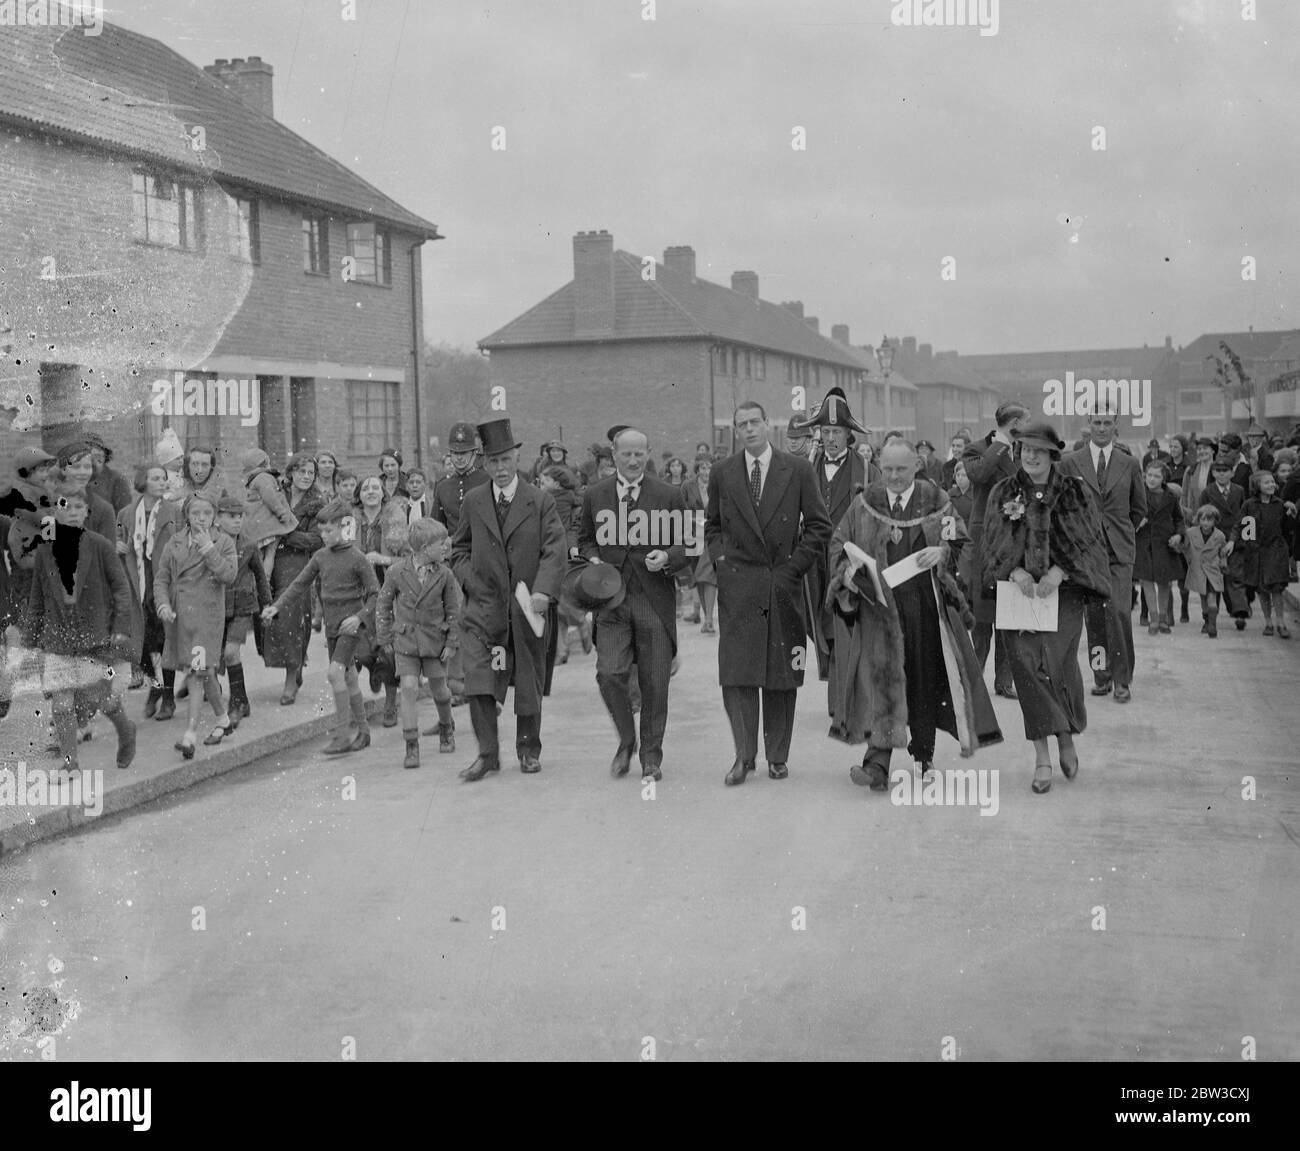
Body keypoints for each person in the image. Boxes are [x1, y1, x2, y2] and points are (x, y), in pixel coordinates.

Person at [825, 440, 998, 790]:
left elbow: (960, 538)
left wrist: (941, 551)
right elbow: (838, 544)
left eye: (901, 469)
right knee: (882, 680)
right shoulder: (864, 504)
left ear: (916, 466)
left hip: (923, 603)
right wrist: (847, 574)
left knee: (922, 678)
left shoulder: (935, 501)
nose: (893, 476)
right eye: (887, 468)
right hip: (880, 606)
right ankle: (876, 764)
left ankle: (924, 756)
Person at [705, 401, 831, 786]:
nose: (749, 429)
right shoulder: (722, 472)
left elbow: (819, 526)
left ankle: (778, 756)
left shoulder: (797, 470)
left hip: (782, 587)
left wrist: (793, 571)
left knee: (780, 675)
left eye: (755, 422)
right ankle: (744, 757)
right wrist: (723, 563)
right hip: (739, 588)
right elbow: (712, 527)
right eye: (741, 424)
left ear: (767, 425)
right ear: (735, 431)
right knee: (738, 675)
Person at [981, 423, 1110, 794]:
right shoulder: (1003, 492)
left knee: (1055, 665)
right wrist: (1014, 569)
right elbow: (992, 541)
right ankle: (1042, 757)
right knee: (1025, 668)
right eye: (1025, 449)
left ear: (1054, 454)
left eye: (1040, 450)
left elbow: (1089, 541)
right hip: (1017, 598)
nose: (1031, 456)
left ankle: (1066, 737)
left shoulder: (1075, 492)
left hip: (1063, 597)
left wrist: (1059, 570)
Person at [451, 417, 567, 781]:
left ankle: (528, 750)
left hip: (527, 607)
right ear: (483, 464)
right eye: (492, 462)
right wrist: (473, 581)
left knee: (528, 680)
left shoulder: (540, 500)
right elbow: (459, 549)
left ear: (516, 459)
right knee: (479, 680)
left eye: (505, 460)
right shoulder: (474, 501)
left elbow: (555, 549)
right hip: (485, 611)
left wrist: (543, 590)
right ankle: (488, 754)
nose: (499, 469)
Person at [577, 427, 690, 783]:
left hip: (653, 599)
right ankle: (626, 740)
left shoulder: (669, 494)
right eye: (625, 454)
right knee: (609, 673)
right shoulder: (595, 495)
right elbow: (584, 540)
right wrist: (593, 560)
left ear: (648, 454)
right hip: (612, 603)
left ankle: (651, 757)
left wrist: (668, 557)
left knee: (655, 682)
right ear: (613, 455)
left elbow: (689, 542)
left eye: (639, 453)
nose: (632, 460)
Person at [26, 487, 138, 772]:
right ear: (56, 511)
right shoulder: (45, 550)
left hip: (93, 637)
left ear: (86, 511)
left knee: (102, 700)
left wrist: (120, 627)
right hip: (58, 639)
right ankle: (70, 762)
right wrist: (31, 640)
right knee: (62, 706)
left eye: (79, 507)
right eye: (67, 507)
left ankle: (126, 731)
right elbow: (37, 597)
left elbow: (121, 588)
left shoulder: (100, 545)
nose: (73, 512)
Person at [263, 499, 379, 755]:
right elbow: (298, 584)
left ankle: (341, 736)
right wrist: (277, 606)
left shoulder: (357, 558)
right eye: (321, 531)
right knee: (348, 678)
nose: (324, 536)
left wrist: (360, 617)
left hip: (351, 627)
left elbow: (375, 594)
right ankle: (364, 731)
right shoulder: (320, 556)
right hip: (332, 626)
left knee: (335, 674)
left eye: (329, 530)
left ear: (344, 527)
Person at [1060, 408, 1146, 704]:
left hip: (1119, 551)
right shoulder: (1071, 462)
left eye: (1107, 423)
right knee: (1094, 615)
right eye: (1096, 422)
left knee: (1119, 612)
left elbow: (1139, 509)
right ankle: (1101, 675)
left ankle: (1123, 679)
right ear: (1089, 425)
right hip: (1086, 551)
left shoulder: (1129, 463)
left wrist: (1120, 535)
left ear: (1115, 426)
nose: (1101, 428)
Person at [794, 386, 870, 692]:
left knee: (845, 622)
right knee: (818, 625)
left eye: (836, 431)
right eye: (825, 431)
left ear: (848, 434)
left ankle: (842, 696)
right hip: (812, 561)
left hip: (847, 560)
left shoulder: (867, 471)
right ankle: (837, 689)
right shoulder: (804, 469)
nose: (830, 437)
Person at [154, 492, 237, 759]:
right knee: (206, 672)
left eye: (207, 514)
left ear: (214, 517)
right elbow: (161, 579)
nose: (201, 519)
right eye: (195, 514)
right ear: (187, 517)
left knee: (197, 671)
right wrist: (163, 604)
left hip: (207, 618)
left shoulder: (222, 542)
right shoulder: (174, 542)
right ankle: (223, 721)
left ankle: (190, 735)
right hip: (180, 618)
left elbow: (228, 575)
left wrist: (208, 549)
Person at [376, 518, 460, 767]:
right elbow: (383, 603)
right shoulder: (397, 572)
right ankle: (411, 744)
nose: (445, 548)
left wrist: (451, 642)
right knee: (410, 688)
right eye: (440, 545)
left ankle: (446, 726)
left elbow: (454, 611)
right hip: (407, 641)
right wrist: (384, 636)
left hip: (435, 641)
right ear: (423, 547)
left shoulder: (445, 574)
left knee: (440, 689)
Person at [962, 402, 1028, 699]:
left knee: (1009, 619)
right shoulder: (977, 449)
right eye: (1024, 421)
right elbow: (979, 474)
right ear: (1013, 422)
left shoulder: (1026, 450)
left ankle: (1004, 682)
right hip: (986, 545)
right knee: (983, 619)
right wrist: (1001, 443)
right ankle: (974, 682)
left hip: (1013, 545)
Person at [259, 454, 325, 703]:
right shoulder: (277, 495)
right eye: (302, 471)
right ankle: (294, 665)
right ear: (291, 473)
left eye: (311, 472)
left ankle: (291, 675)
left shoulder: (317, 503)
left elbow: (316, 539)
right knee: (269, 615)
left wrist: (285, 535)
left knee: (291, 617)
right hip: (271, 559)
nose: (306, 476)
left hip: (299, 563)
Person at [116, 463, 180, 717]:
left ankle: (168, 698)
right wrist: (117, 546)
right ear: (143, 482)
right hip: (137, 583)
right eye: (156, 478)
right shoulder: (126, 513)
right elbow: (118, 542)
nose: (162, 482)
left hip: (165, 582)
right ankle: (156, 686)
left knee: (166, 643)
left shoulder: (174, 510)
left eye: (164, 478)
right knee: (141, 646)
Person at [352, 474, 408, 724]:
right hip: (359, 592)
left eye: (375, 487)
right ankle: (373, 668)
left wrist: (381, 559)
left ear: (383, 493)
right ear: (359, 494)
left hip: (387, 591)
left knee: (388, 649)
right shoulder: (351, 519)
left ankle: (390, 704)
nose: (371, 491)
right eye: (366, 488)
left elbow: (408, 559)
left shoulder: (394, 518)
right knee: (360, 647)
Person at [214, 493, 270, 728]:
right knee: (217, 658)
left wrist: (267, 604)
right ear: (218, 518)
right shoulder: (212, 544)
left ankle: (235, 705)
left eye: (240, 517)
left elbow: (259, 574)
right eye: (231, 517)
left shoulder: (248, 544)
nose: (237, 521)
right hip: (217, 607)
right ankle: (243, 700)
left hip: (242, 607)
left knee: (230, 653)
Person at [1233, 471, 1293, 638]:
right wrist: (1250, 547)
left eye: (1272, 482)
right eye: (1266, 483)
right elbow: (1245, 531)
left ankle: (1281, 623)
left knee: (1277, 588)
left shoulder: (1280, 504)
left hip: (1276, 551)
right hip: (1257, 552)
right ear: (1257, 486)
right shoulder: (1249, 505)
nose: (1271, 485)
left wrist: (1291, 515)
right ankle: (1268, 622)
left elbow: (1287, 529)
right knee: (1262, 589)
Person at [1133, 461, 1185, 636]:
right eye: (1149, 475)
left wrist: (1179, 535)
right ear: (1144, 476)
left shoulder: (1171, 496)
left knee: (1164, 583)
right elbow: (1126, 516)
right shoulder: (1137, 495)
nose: (1152, 479)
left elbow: (1179, 519)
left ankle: (1163, 618)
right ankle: (1153, 619)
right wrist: (1136, 523)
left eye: (1157, 476)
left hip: (1164, 544)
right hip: (1144, 544)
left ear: (1164, 479)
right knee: (1146, 582)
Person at [1200, 459, 1249, 629]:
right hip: (1214, 541)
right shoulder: (1207, 492)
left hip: (1235, 541)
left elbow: (1246, 516)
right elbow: (1202, 518)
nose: (1222, 473)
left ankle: (1240, 612)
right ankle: (1209, 618)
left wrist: (1242, 540)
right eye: (1218, 470)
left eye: (1226, 470)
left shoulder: (1239, 490)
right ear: (1213, 473)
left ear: (1232, 473)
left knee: (1235, 577)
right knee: (1213, 580)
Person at [239, 448, 297, 582]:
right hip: (268, 525)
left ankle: (261, 581)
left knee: (261, 555)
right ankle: (265, 580)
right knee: (270, 553)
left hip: (258, 525)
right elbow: (271, 497)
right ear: (264, 463)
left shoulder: (253, 480)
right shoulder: (264, 478)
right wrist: (282, 512)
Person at [1182, 504, 1228, 637]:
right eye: (1203, 519)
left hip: (1213, 571)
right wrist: (1189, 559)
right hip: (1198, 571)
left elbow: (1223, 552)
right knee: (1203, 598)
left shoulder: (1219, 535)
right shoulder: (1191, 533)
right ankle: (1207, 620)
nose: (1206, 523)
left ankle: (1212, 623)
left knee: (1212, 598)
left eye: (1209, 520)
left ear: (1215, 521)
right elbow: (1184, 547)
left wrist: (1223, 563)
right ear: (1198, 520)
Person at [82, 431, 133, 512]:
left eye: (99, 456)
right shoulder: (77, 479)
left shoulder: (116, 479)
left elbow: (124, 515)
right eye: (90, 457)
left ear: (105, 456)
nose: (95, 461)